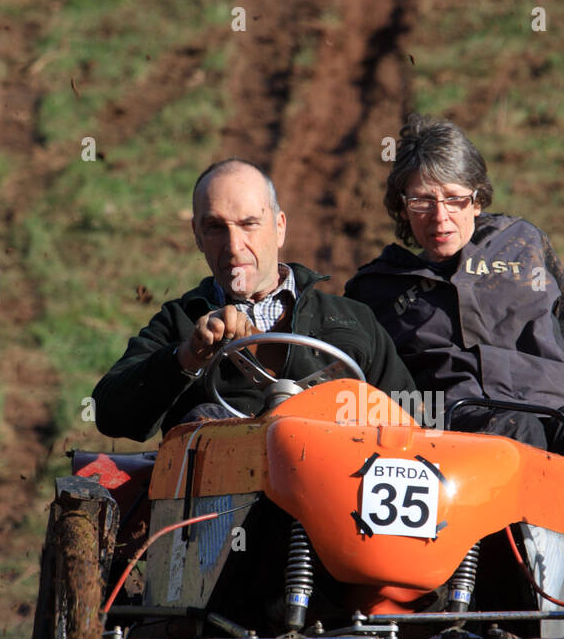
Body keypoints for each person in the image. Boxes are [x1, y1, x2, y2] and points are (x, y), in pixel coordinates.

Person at [345, 115, 564, 473]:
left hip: (555, 403)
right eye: (422, 201)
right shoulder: (378, 286)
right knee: (517, 430)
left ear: (477, 201)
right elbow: (361, 381)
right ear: (402, 206)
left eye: (454, 200)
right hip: (456, 424)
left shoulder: (523, 243)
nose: (440, 217)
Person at [93, 159, 416, 441]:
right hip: (218, 497)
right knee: (207, 415)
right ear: (197, 236)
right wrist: (188, 357)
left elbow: (409, 425)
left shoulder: (351, 318)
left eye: (249, 225)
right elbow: (110, 416)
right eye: (216, 228)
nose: (234, 246)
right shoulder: (180, 322)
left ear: (279, 227)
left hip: (330, 491)